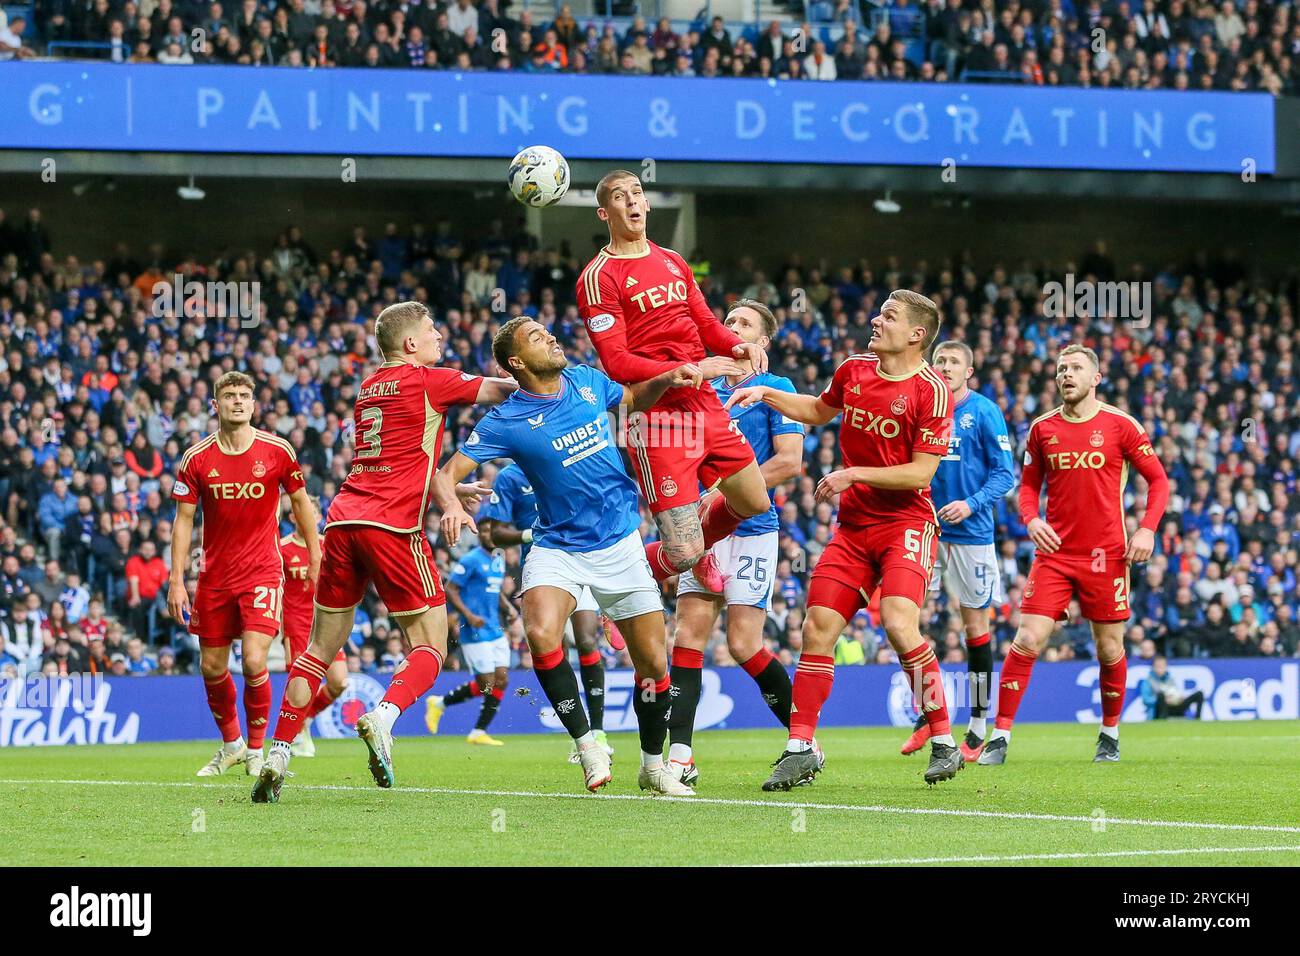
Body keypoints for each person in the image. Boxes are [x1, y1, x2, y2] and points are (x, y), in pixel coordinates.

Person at [252, 301, 514, 803]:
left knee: (318, 650)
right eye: (433, 329)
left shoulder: (370, 387)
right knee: (432, 645)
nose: (440, 336)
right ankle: (385, 716)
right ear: (410, 344)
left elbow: (396, 457)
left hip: (344, 520)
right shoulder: (428, 379)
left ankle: (278, 752)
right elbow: (503, 390)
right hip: (393, 527)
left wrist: (449, 493)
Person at [431, 317, 699, 795]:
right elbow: (446, 472)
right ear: (516, 362)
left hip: (620, 541)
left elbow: (632, 399)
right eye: (537, 338)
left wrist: (664, 378)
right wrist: (451, 504)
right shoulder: (506, 420)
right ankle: (587, 744)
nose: (551, 338)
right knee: (539, 632)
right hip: (556, 545)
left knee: (655, 667)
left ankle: (653, 766)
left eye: (546, 332)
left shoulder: (588, 380)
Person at [727, 290, 962, 789]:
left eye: (889, 316)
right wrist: (764, 393)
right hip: (854, 530)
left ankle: (943, 738)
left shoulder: (931, 390)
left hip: (906, 525)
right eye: (879, 311)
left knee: (900, 625)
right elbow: (815, 410)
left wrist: (853, 473)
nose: (876, 319)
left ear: (916, 334)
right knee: (816, 629)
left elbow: (922, 472)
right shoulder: (854, 369)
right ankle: (800, 748)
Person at [575, 170, 774, 595]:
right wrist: (670, 373)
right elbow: (616, 361)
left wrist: (737, 346)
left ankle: (699, 548)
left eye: (637, 192)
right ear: (603, 212)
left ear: (646, 204)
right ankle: (618, 586)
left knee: (754, 502)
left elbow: (705, 323)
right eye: (618, 196)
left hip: (701, 399)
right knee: (681, 553)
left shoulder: (672, 260)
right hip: (656, 413)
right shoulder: (598, 277)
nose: (631, 200)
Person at [979, 344, 1170, 765]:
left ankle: (1109, 733)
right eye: (1062, 369)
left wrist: (1147, 529)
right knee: (1027, 638)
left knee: (1108, 649)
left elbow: (1159, 482)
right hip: (1056, 553)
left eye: (1076, 368)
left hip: (1107, 554)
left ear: (1095, 378)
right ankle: (1000, 736)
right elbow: (1027, 486)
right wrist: (1031, 520)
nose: (1066, 374)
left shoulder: (1122, 425)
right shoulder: (1043, 428)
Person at [665, 299, 807, 786]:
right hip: (699, 527)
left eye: (745, 324)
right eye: (728, 322)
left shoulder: (777, 390)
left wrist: (723, 490)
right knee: (688, 635)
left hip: (752, 530)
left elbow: (790, 461)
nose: (732, 328)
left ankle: (803, 741)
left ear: (764, 342)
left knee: (745, 645)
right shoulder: (700, 388)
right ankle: (680, 757)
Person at [168, 371, 321, 779]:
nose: (238, 401)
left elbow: (302, 505)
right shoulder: (196, 458)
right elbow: (183, 521)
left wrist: (317, 554)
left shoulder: (277, 450)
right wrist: (176, 579)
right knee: (212, 667)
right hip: (214, 577)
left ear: (254, 404)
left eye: (245, 396)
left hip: (262, 572)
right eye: (230, 396)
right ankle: (232, 744)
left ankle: (257, 750)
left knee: (254, 660)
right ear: (215, 405)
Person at [901, 340, 1015, 761]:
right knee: (905, 622)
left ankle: (978, 726)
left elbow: (1006, 475)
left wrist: (971, 503)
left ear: (969, 371)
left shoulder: (983, 411)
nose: (945, 366)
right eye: (940, 360)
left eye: (954, 362)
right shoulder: (921, 404)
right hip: (922, 529)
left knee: (974, 629)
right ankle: (929, 715)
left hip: (971, 535)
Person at [475, 461, 618, 762]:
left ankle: (600, 733)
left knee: (587, 640)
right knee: (555, 648)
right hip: (543, 567)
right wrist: (530, 535)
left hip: (583, 557)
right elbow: (493, 535)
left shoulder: (563, 459)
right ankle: (580, 738)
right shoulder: (510, 477)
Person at [428, 524, 516, 745]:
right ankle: (439, 703)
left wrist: (509, 609)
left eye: (492, 531)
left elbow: (495, 591)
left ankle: (478, 732)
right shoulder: (471, 559)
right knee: (487, 683)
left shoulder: (498, 558)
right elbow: (450, 588)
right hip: (474, 629)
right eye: (484, 531)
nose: (488, 534)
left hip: (494, 628)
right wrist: (467, 614)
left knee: (502, 680)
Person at [278, 497, 348, 758]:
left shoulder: (328, 545)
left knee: (340, 681)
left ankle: (303, 721)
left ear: (318, 517)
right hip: (296, 624)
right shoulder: (282, 548)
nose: (305, 516)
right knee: (299, 686)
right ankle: (293, 736)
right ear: (293, 517)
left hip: (327, 622)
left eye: (311, 512)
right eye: (299, 511)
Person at [1139, 655, 1205, 719]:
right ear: (1153, 667)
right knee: (1161, 695)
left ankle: (1198, 718)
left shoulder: (1170, 679)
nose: (1160, 669)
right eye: (1158, 666)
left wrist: (1179, 698)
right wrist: (1163, 700)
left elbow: (1175, 692)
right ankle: (1162, 720)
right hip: (1159, 710)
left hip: (1174, 705)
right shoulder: (1147, 681)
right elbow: (1146, 700)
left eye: (1162, 666)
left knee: (1199, 694)